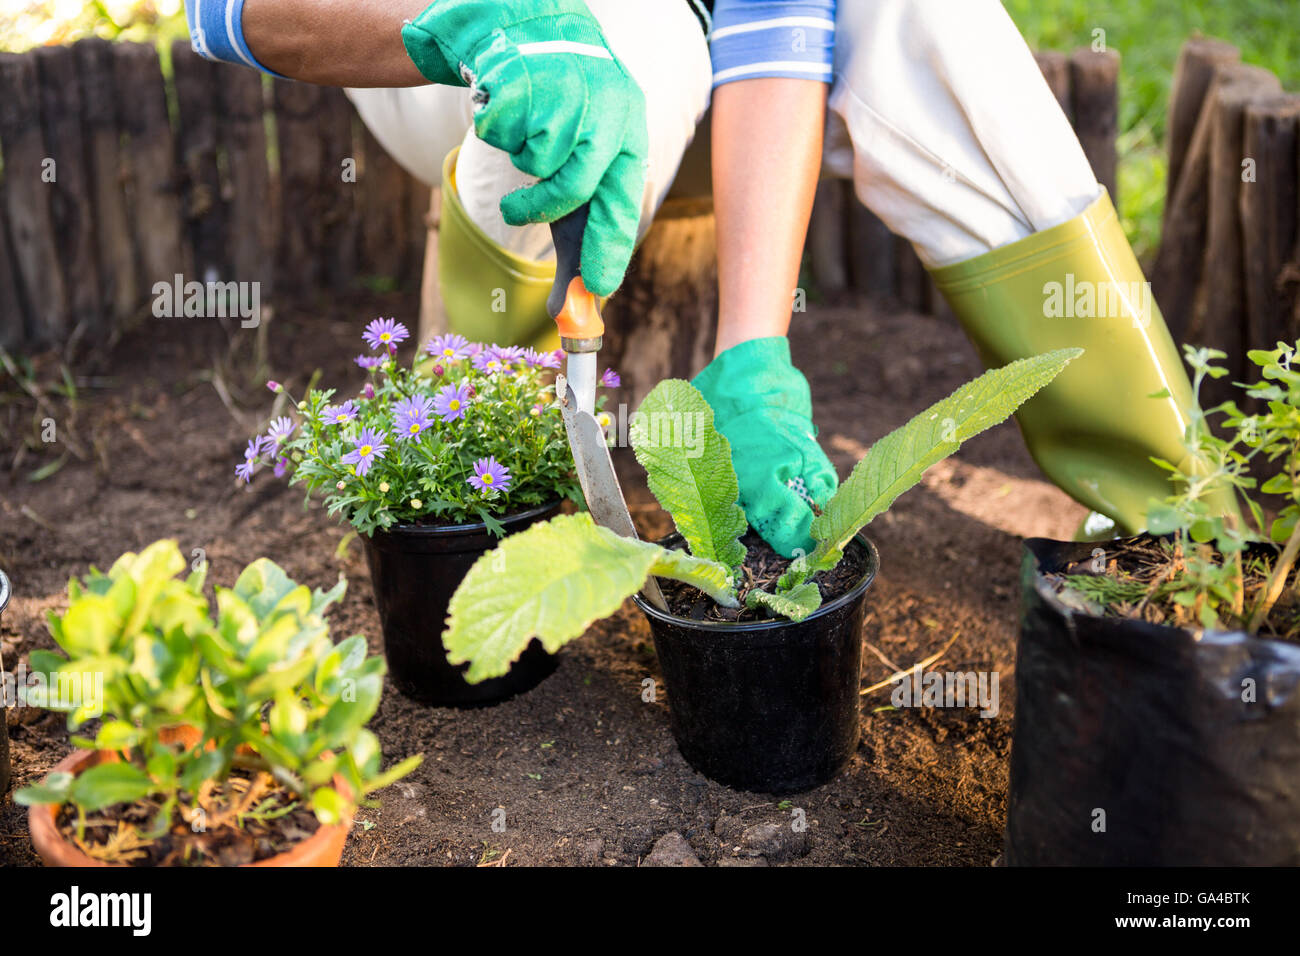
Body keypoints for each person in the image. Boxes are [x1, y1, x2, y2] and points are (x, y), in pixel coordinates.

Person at [184, 0, 1220, 558]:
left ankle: (1176, 518)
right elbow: (220, 9)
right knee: (612, 29)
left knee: (930, 16)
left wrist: (754, 348)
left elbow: (775, 16)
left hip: (738, 84)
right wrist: (476, 23)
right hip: (451, 61)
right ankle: (473, 477)